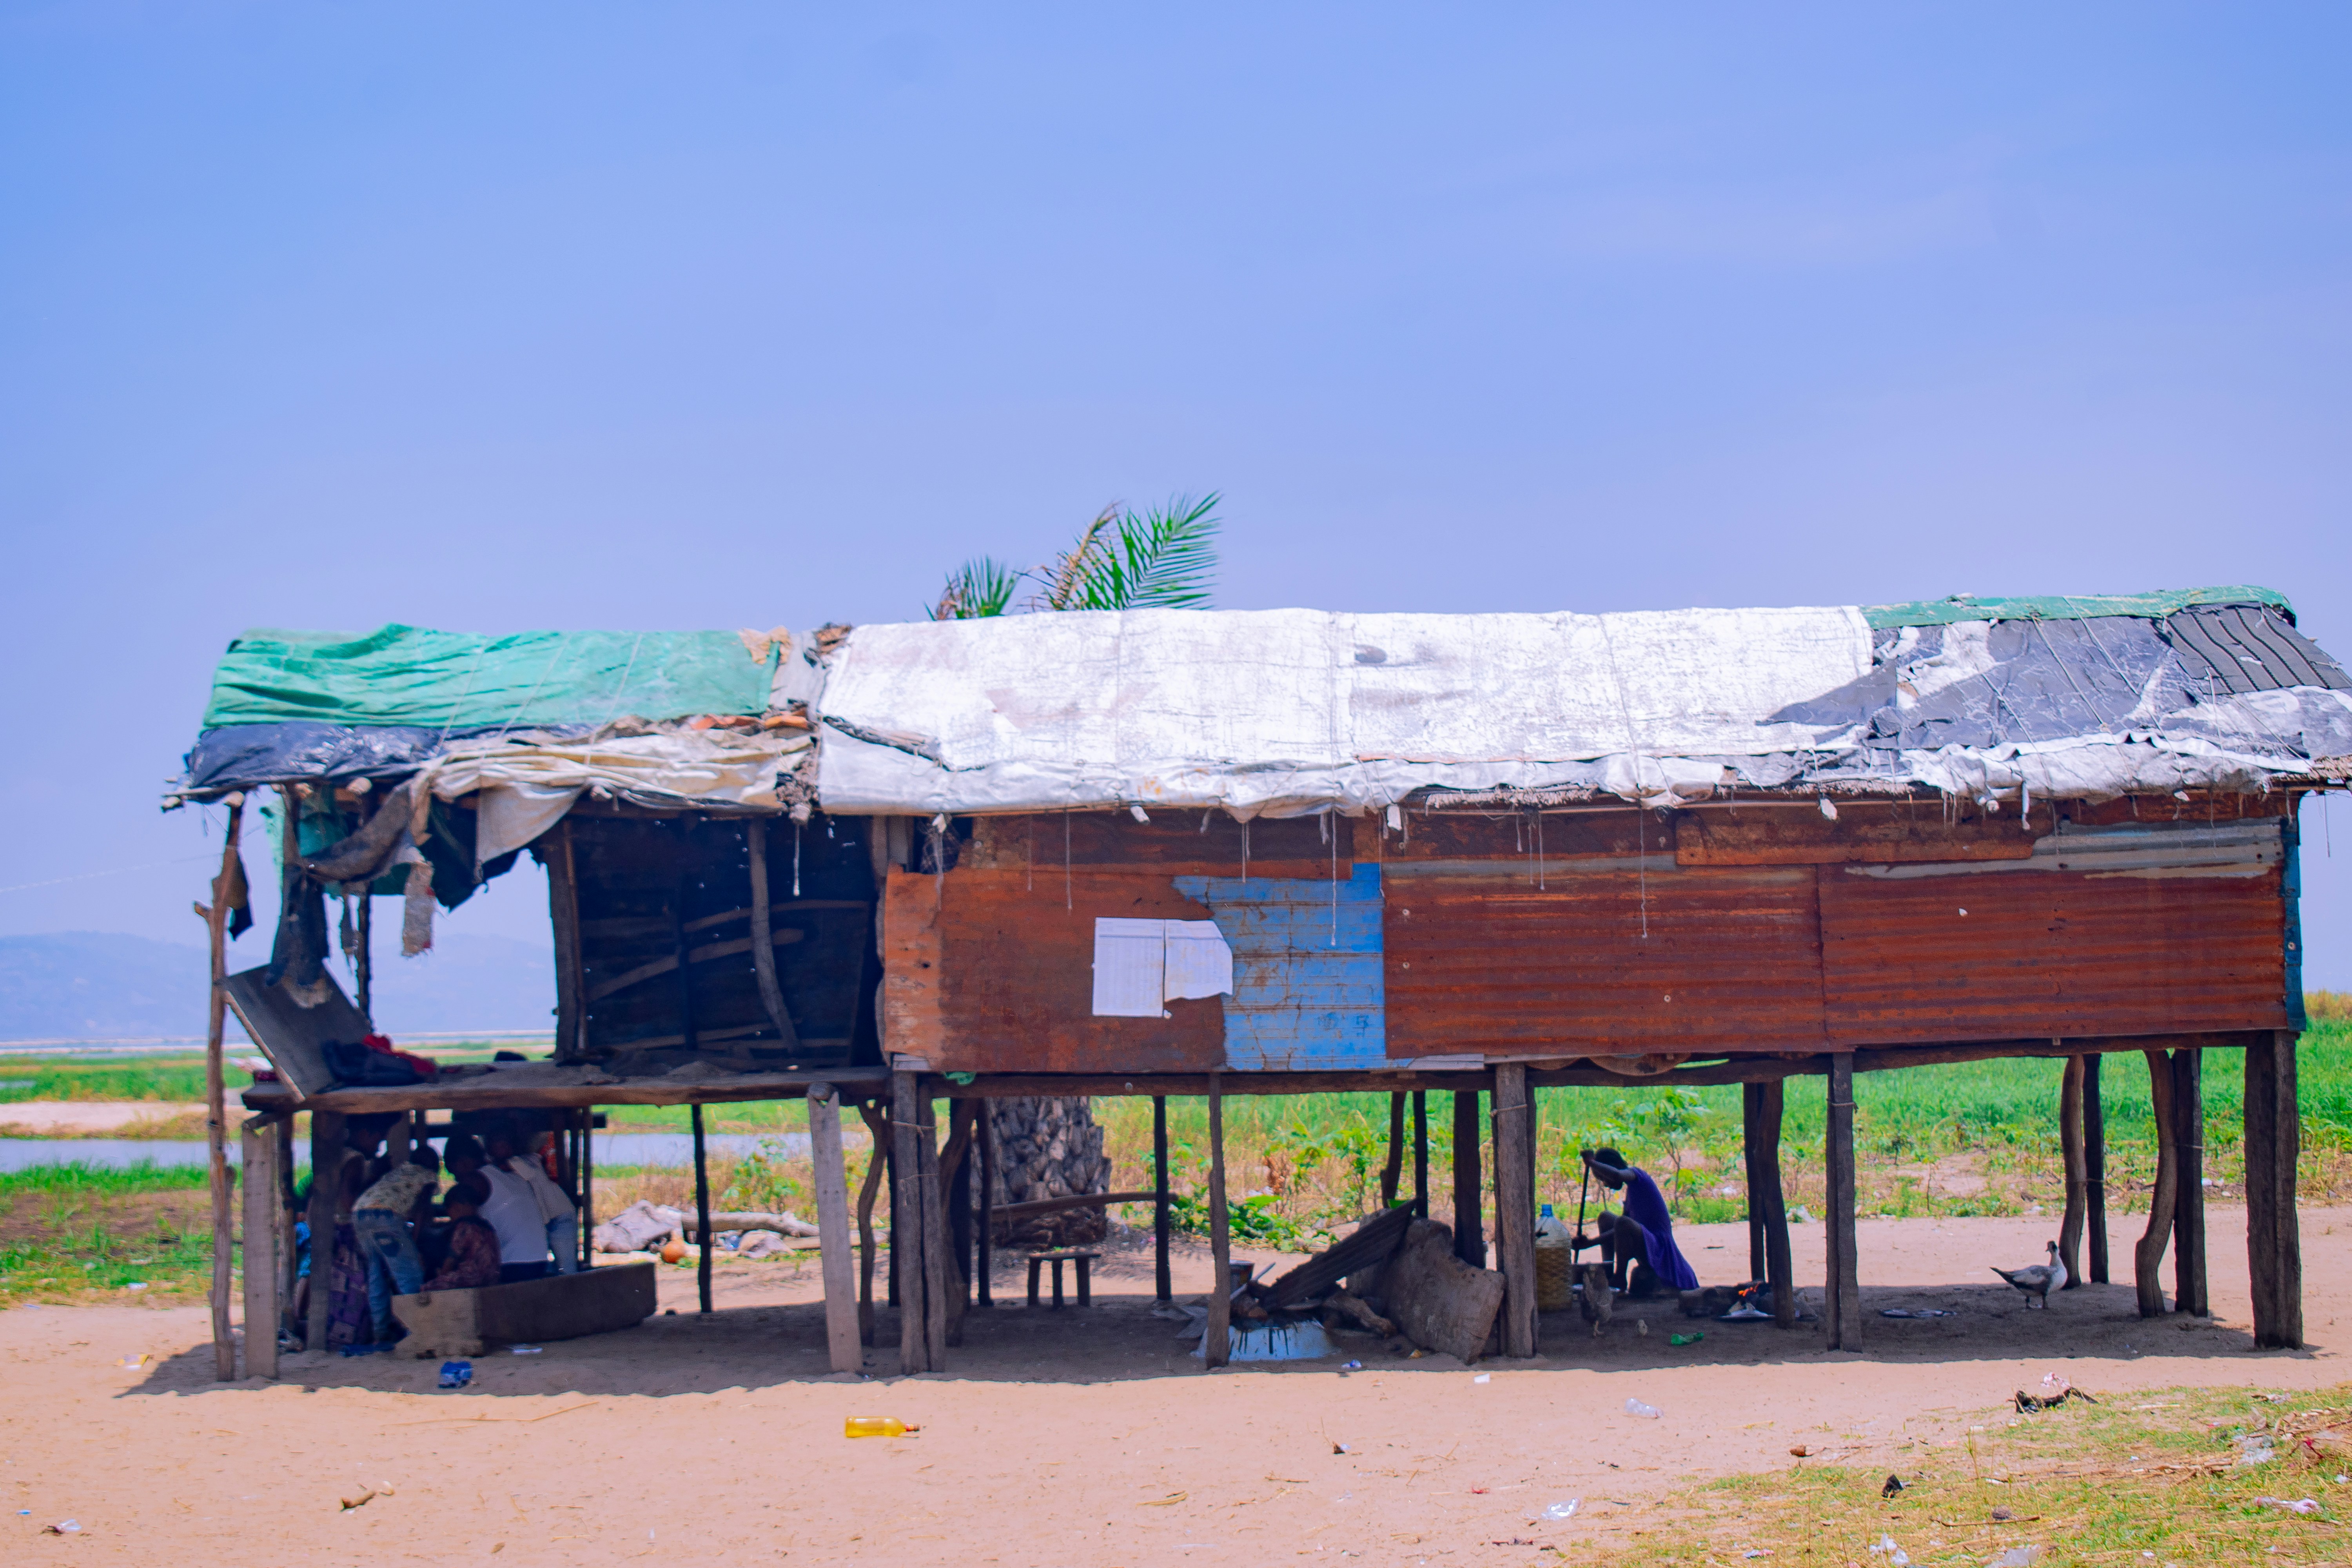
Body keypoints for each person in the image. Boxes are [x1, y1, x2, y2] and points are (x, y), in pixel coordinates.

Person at [1573, 1146, 1700, 1297]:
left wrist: (1592, 1163)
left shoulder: (1637, 1175)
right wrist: (1589, 1243)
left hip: (1659, 1246)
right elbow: (1619, 1233)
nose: (1606, 1185)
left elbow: (1618, 1175)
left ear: (1614, 1166)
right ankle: (1608, 1270)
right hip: (1646, 1242)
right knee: (1605, 1218)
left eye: (1604, 1178)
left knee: (1622, 1222)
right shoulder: (1631, 1196)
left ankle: (1620, 1278)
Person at [350, 1147, 441, 1341]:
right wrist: (414, 1246)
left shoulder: (400, 1172)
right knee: (410, 1275)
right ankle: (418, 1331)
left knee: (376, 1275)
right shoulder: (428, 1178)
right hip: (386, 1217)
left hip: (359, 1214)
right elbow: (421, 1214)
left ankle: (380, 1333)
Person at [446, 1134, 550, 1283]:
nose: (456, 1180)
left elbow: (462, 1226)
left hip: (513, 1264)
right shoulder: (505, 1174)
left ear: (461, 1163)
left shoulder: (475, 1180)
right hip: (539, 1260)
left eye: (453, 1172)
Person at [491, 1130, 582, 1276]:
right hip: (542, 1222)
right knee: (546, 1268)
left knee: (567, 1269)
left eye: (501, 1144)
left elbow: (524, 1172)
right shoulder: (499, 1171)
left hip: (560, 1217)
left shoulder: (529, 1161)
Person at [422, 1187, 501, 1290]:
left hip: (469, 1280)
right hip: (491, 1280)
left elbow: (451, 1260)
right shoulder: (488, 1228)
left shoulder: (464, 1227)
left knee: (426, 1289)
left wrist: (441, 1278)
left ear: (455, 1207)